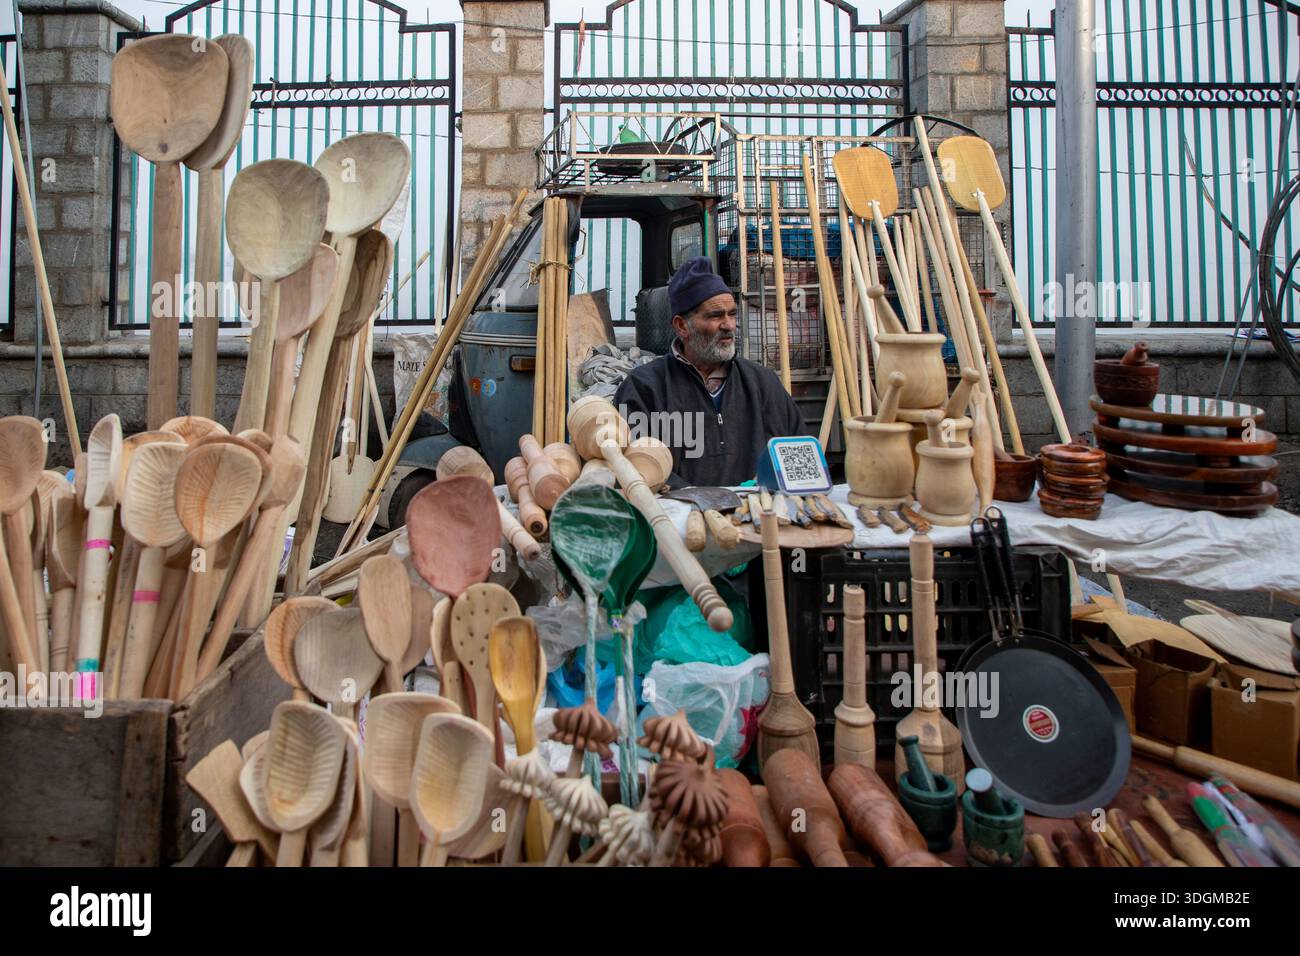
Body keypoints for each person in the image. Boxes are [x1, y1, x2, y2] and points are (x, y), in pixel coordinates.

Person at [614, 256, 806, 486]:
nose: (729, 325)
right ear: (682, 326)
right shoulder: (644, 388)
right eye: (715, 316)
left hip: (756, 513)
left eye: (732, 314)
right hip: (678, 516)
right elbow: (628, 467)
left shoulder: (762, 383)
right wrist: (697, 497)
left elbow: (799, 453)